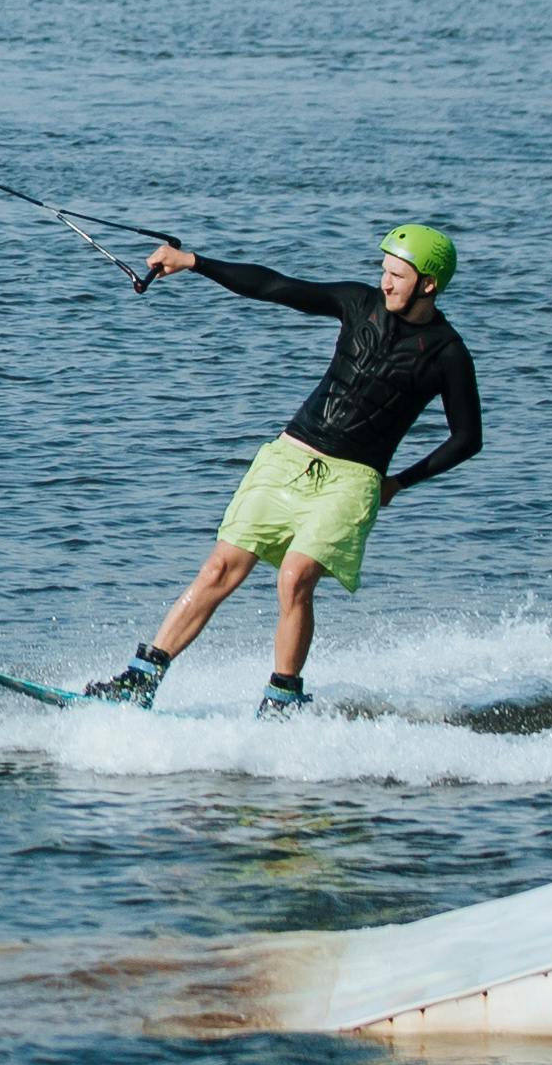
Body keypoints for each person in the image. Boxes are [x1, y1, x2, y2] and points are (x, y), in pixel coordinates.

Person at [79, 221, 479, 707]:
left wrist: (398, 482)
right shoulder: (359, 304)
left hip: (352, 480)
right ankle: (138, 681)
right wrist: (194, 262)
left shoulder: (447, 353)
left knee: (295, 577)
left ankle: (283, 700)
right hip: (289, 455)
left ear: (428, 284)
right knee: (220, 566)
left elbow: (467, 438)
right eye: (384, 271)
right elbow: (274, 287)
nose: (386, 282)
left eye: (397, 275)